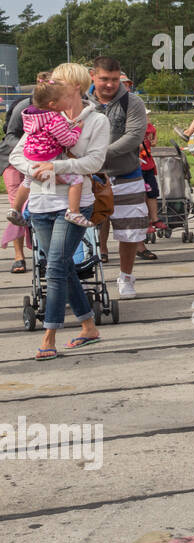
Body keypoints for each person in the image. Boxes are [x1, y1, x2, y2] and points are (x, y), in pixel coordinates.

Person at [8, 62, 108, 360]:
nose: (50, 85)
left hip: (73, 204)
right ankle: (89, 327)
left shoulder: (97, 121)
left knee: (54, 268)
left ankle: (49, 336)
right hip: (40, 203)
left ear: (74, 87)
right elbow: (16, 155)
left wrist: (56, 166)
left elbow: (94, 162)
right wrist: (36, 169)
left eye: (57, 81)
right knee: (61, 267)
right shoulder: (44, 116)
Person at [89, 57, 148, 299]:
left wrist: (99, 154)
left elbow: (134, 136)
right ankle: (85, 278)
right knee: (84, 231)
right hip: (90, 178)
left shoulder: (132, 102)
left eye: (114, 79)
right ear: (93, 76)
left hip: (126, 175)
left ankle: (126, 277)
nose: (110, 84)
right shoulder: (81, 102)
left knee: (130, 232)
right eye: (104, 79)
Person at [6, 79, 93, 228]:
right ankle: (74, 212)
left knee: (27, 181)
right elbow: (68, 141)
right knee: (77, 179)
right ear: (53, 104)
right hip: (47, 160)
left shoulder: (32, 116)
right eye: (65, 98)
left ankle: (15, 209)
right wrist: (77, 129)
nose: (68, 100)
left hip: (31, 157)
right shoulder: (55, 120)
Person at [1, 82, 37, 273]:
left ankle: (41, 252)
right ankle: (18, 255)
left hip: (38, 161)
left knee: (37, 205)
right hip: (13, 160)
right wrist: (32, 145)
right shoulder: (23, 107)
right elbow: (10, 136)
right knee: (18, 206)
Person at [137, 113, 161, 261]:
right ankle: (146, 223)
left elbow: (153, 140)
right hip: (137, 166)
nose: (147, 119)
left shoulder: (150, 128)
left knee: (152, 193)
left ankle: (153, 219)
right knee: (140, 197)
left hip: (147, 165)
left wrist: (152, 140)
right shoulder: (135, 127)